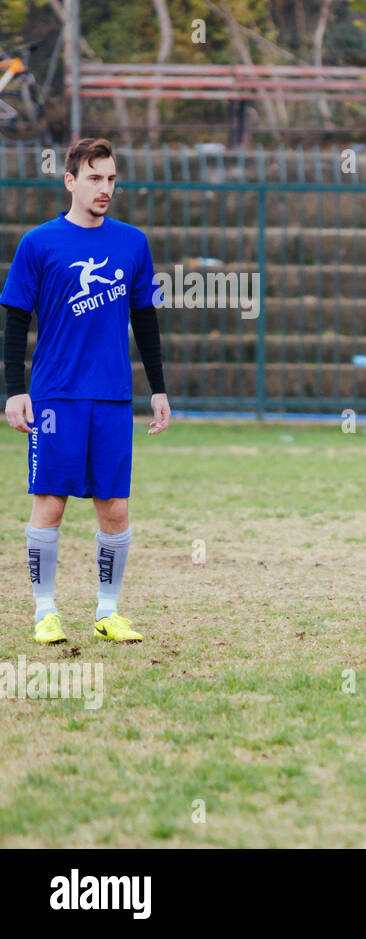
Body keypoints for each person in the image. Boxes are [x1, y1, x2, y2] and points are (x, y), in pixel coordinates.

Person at [1, 138, 170, 645]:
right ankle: (45, 611)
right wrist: (15, 391)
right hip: (55, 396)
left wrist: (157, 389)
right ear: (70, 180)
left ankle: (107, 611)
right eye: (95, 178)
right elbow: (14, 322)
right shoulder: (39, 243)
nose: (105, 189)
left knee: (115, 508)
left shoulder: (132, 243)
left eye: (112, 179)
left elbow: (146, 319)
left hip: (113, 397)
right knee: (49, 502)